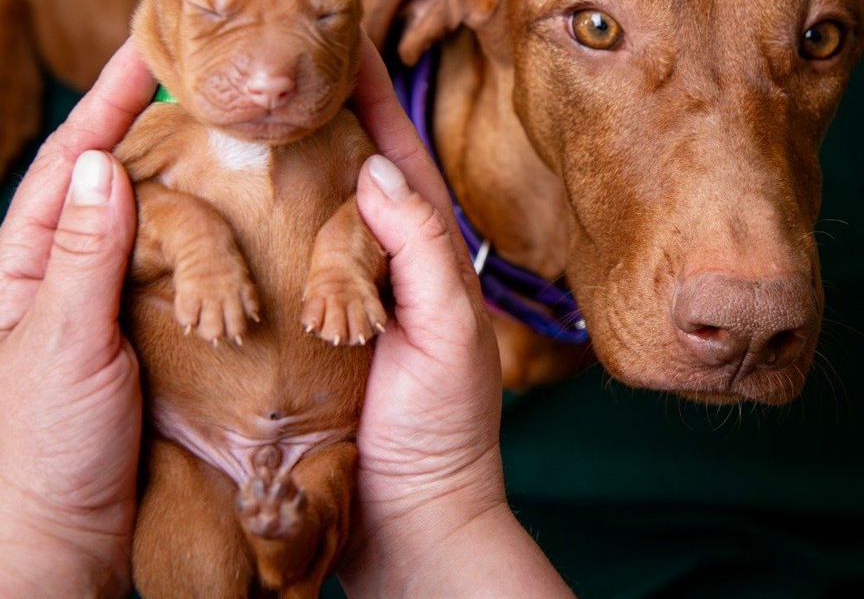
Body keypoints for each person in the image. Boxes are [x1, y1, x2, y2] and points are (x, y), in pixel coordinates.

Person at [0, 37, 575, 599]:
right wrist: (191, 242)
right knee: (185, 538)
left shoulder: (344, 137)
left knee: (324, 491)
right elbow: (126, 215)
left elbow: (372, 213)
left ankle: (292, 545)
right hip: (188, 443)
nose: (272, 69)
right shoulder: (163, 131)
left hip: (324, 441)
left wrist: (345, 262)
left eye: (318, 17)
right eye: (220, 14)